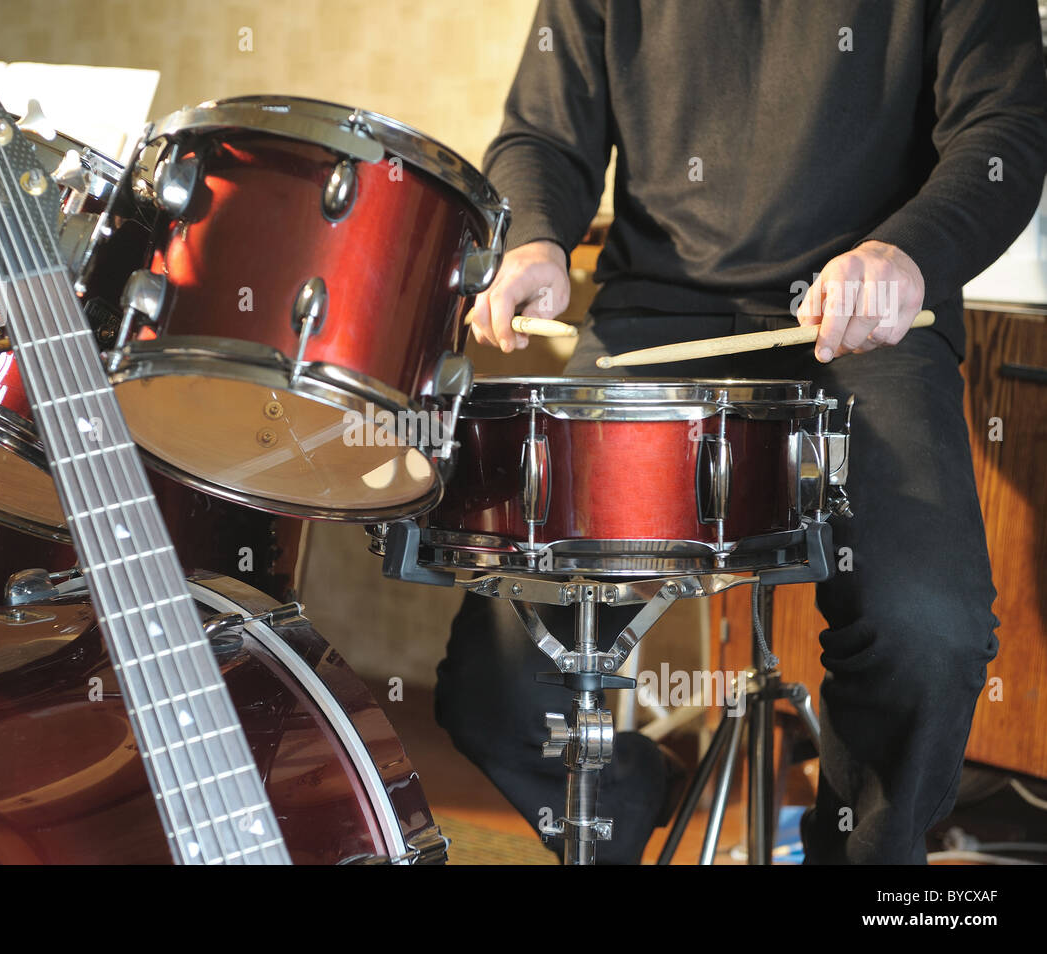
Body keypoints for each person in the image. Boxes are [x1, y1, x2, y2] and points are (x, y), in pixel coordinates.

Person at [435, 0, 1047, 864]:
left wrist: (907, 251)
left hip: (869, 317)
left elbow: (1007, 127)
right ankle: (628, 800)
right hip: (656, 321)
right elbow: (541, 134)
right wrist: (534, 238)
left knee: (928, 634)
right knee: (494, 689)